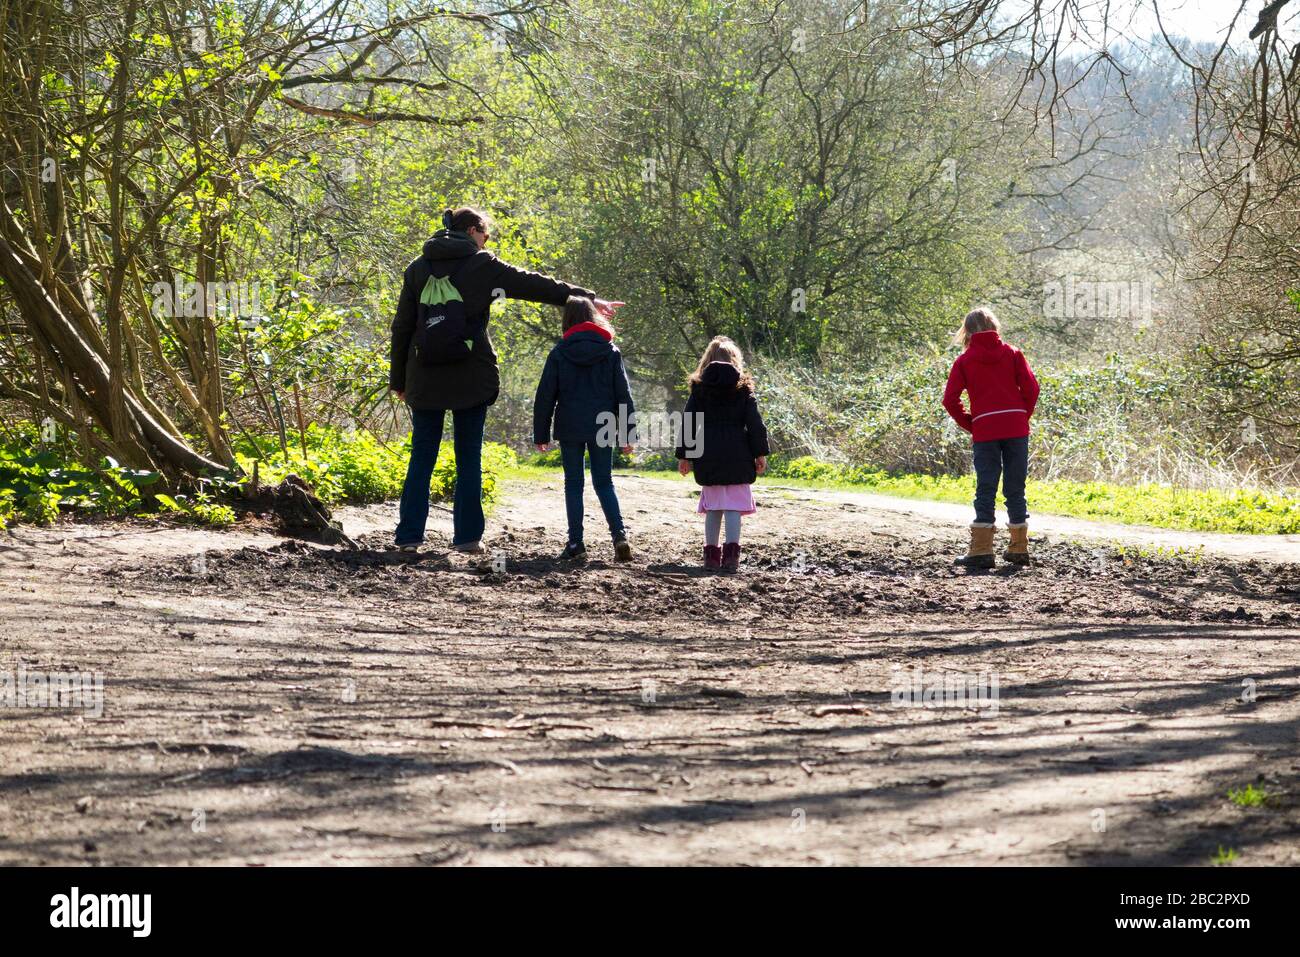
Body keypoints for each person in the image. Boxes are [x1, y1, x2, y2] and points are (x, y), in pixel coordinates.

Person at [389, 206, 622, 553]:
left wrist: (399, 379)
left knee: (422, 454)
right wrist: (586, 296)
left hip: (424, 375)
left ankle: (409, 537)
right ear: (471, 231)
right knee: (469, 456)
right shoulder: (482, 266)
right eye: (485, 234)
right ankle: (467, 538)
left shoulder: (417, 268)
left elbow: (402, 327)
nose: (487, 240)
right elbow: (535, 284)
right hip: (471, 376)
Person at [533, 297, 635, 562]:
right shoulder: (610, 351)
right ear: (592, 317)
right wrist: (627, 433)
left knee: (573, 484)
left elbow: (545, 396)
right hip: (604, 425)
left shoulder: (559, 352)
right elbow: (623, 395)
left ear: (567, 320)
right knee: (604, 482)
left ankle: (576, 543)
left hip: (570, 425)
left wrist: (541, 433)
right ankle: (619, 536)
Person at [941, 307, 1040, 567]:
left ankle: (982, 550)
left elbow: (950, 400)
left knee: (986, 486)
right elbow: (1031, 388)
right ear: (994, 325)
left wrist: (973, 424)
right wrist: (1021, 416)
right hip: (1016, 428)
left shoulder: (964, 361)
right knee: (1015, 487)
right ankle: (1019, 548)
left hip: (986, 430)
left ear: (968, 331)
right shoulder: (1013, 353)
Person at [675, 336, 770, 572]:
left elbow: (689, 422)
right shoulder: (743, 388)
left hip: (708, 453)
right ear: (735, 360)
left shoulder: (700, 389)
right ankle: (731, 558)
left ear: (707, 361)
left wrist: (684, 455)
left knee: (714, 507)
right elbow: (754, 423)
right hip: (738, 452)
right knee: (733, 507)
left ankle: (710, 557)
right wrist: (760, 453)